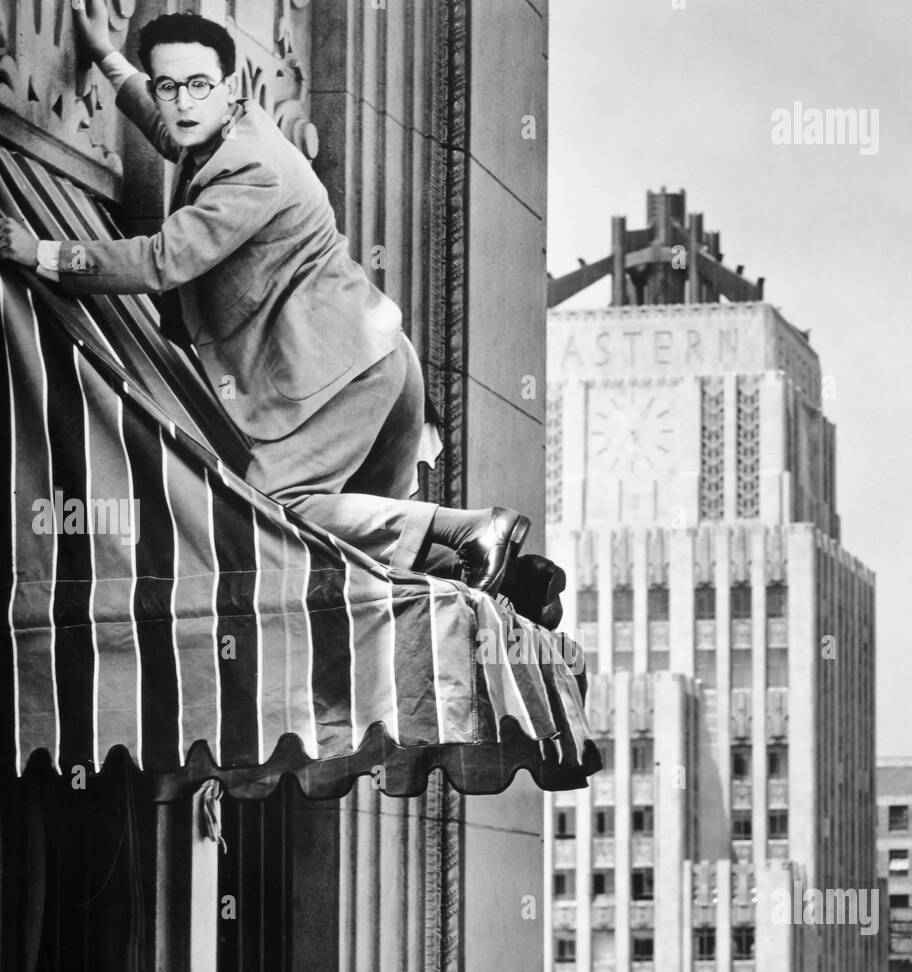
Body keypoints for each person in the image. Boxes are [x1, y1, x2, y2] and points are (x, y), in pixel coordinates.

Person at [0, 3, 564, 625]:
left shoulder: (251, 168)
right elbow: (169, 131)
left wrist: (42, 251)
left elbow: (163, 260)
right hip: (372, 360)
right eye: (168, 86)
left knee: (272, 515)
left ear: (230, 88)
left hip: (338, 377)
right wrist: (109, 59)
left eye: (197, 85)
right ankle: (503, 580)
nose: (183, 103)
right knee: (351, 555)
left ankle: (473, 529)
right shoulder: (231, 128)